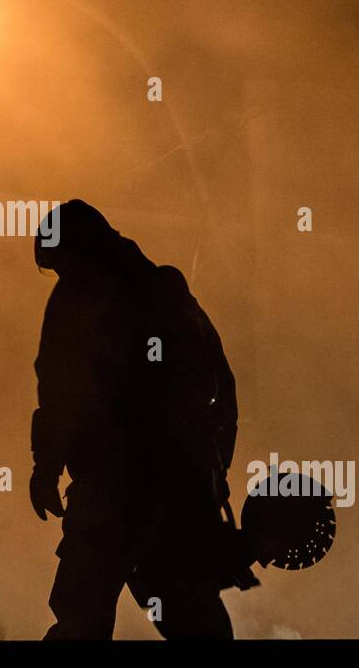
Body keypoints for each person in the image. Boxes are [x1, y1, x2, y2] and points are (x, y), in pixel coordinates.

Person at [30, 200, 254, 640]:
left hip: (127, 490)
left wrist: (48, 467)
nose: (62, 277)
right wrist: (211, 474)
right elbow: (220, 393)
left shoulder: (89, 300)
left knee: (90, 614)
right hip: (161, 491)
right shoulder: (162, 291)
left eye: (62, 265)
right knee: (187, 616)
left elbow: (59, 394)